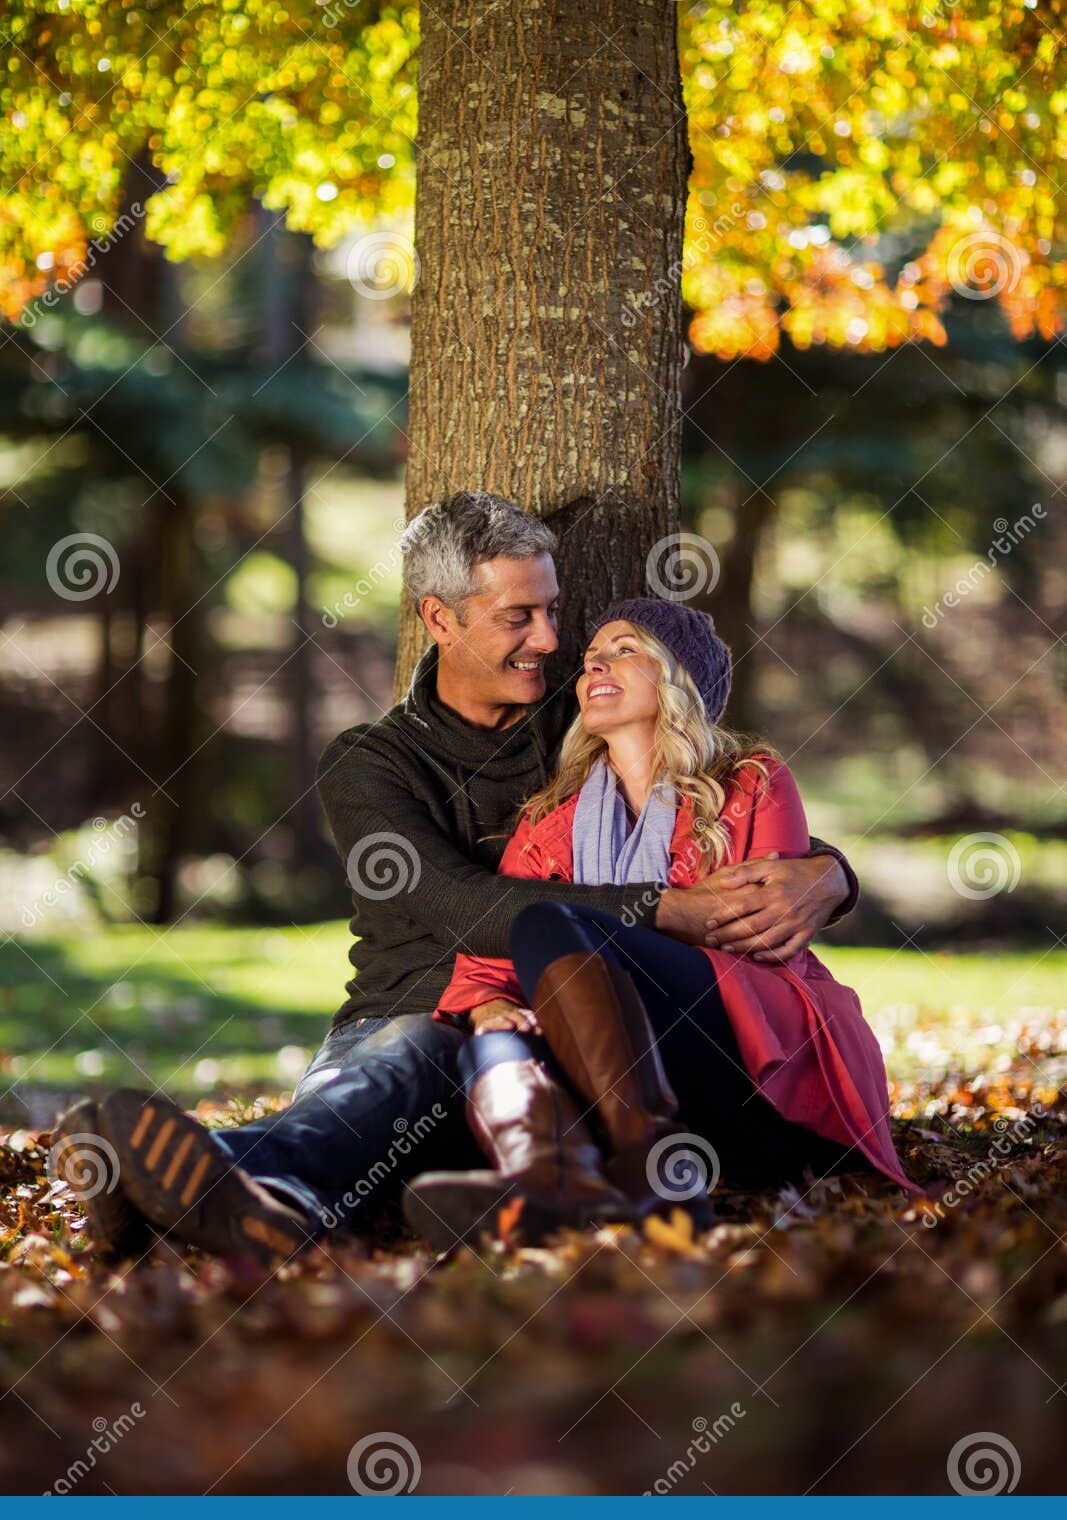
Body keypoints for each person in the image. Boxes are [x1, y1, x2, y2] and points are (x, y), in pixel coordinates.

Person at [51, 495, 861, 1267]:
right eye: (518, 617)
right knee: (399, 1067)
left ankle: (221, 1183)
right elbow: (457, 903)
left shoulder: (576, 721)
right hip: (408, 1016)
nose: (549, 640)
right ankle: (253, 1191)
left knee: (412, 1111)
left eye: (551, 612)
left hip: (556, 1032)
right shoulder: (372, 763)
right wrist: (660, 910)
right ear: (440, 619)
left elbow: (698, 796)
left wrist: (828, 873)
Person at [404, 598, 920, 1247]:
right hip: (642, 1092)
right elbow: (486, 965)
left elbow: (750, 927)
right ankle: (555, 1181)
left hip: (752, 1076)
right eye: (591, 658)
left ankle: (637, 1171)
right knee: (497, 1037)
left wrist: (597, 938)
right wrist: (486, 1008)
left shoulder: (749, 782)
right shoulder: (547, 820)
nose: (595, 664)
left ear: (678, 676)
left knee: (550, 921)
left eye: (623, 649)